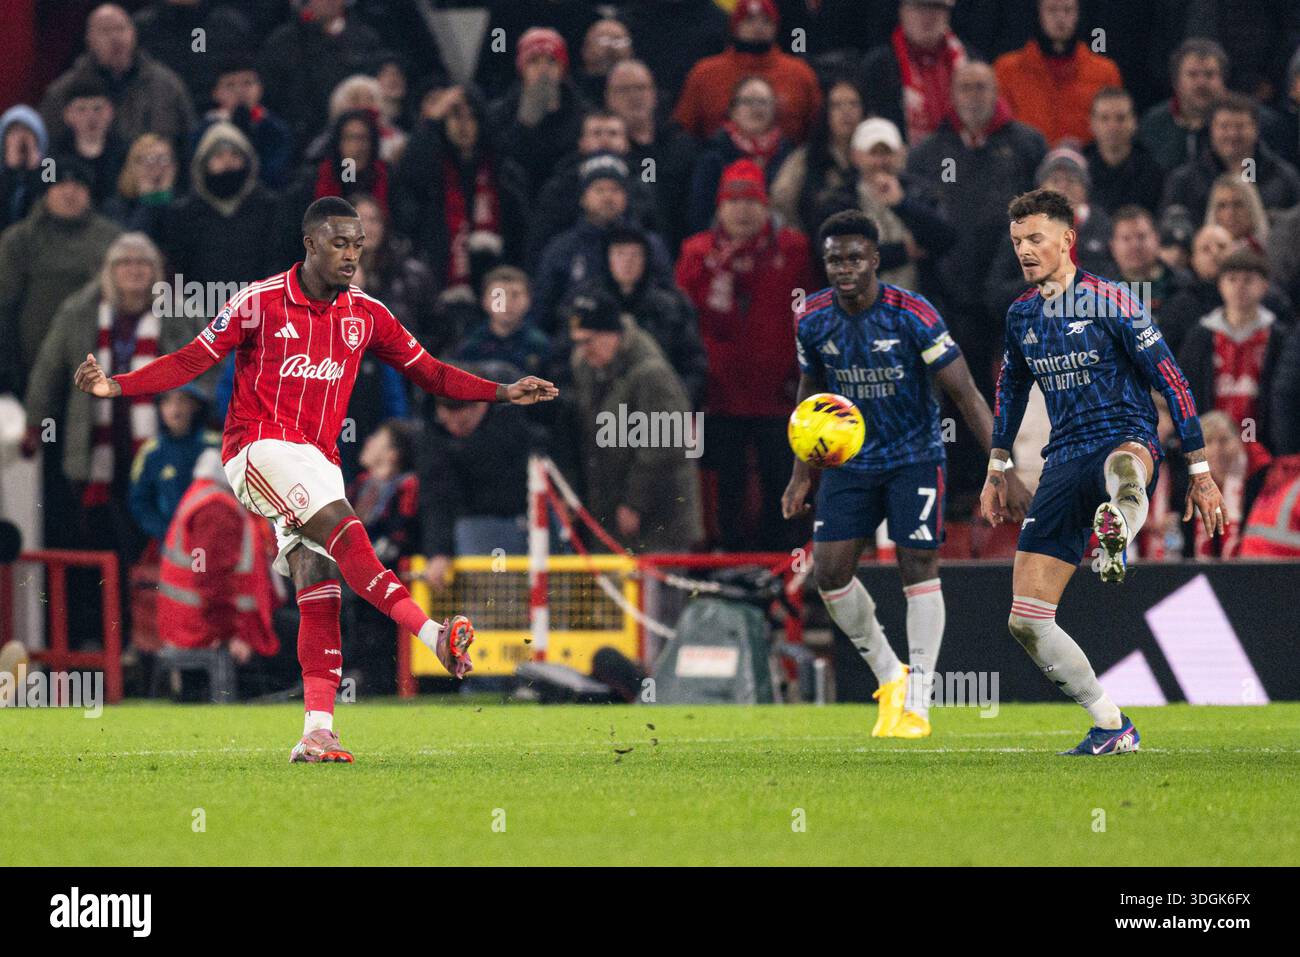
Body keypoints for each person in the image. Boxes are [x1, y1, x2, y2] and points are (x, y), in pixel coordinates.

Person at [73, 196, 559, 763]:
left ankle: (317, 730)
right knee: (343, 531)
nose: (352, 254)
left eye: (358, 243)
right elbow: (192, 360)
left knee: (318, 580)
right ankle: (432, 634)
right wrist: (118, 386)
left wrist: (499, 392)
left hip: (319, 460)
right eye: (339, 243)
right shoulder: (259, 302)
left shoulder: (367, 314)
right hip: (257, 447)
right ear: (309, 244)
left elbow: (429, 371)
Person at [982, 188, 1225, 756]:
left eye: (1035, 238)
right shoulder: (1021, 315)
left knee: (1124, 470)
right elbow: (1011, 387)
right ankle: (1112, 723)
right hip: (1062, 458)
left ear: (1067, 239)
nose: (1024, 250)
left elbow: (1174, 380)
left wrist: (1200, 468)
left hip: (1125, 435)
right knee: (1026, 620)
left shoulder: (1113, 300)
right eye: (1017, 241)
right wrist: (999, 463)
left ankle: (1117, 520)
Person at [783, 209, 1030, 740]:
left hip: (915, 456)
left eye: (853, 258)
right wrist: (801, 473)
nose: (843, 268)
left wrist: (1001, 467)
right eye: (833, 260)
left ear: (875, 260)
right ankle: (890, 675)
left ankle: (918, 700)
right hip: (849, 463)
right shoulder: (813, 320)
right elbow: (810, 395)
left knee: (917, 562)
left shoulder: (912, 314)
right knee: (829, 572)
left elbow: (966, 393)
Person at [675, 159, 813, 551]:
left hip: (779, 394)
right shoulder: (697, 254)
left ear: (766, 204)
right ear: (719, 206)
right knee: (726, 486)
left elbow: (813, 313)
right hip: (719, 395)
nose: (742, 209)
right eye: (733, 200)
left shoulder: (794, 249)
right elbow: (681, 320)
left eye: (751, 200)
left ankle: (780, 567)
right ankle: (730, 567)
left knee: (781, 480)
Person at [566, 288, 702, 553]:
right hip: (610, 510)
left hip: (659, 516)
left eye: (589, 341)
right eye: (577, 342)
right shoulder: (586, 367)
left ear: (612, 335)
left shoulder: (650, 373)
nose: (583, 350)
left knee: (657, 593)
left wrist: (635, 502)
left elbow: (665, 444)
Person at [156, 447, 280, 684]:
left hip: (194, 622)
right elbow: (211, 579)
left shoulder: (204, 494)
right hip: (206, 628)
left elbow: (205, 571)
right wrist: (228, 634)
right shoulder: (218, 510)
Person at [0, 156, 120, 399]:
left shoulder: (111, 239)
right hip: (30, 364)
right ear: (46, 192)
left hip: (99, 362)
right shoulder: (20, 240)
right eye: (60, 184)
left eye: (78, 185)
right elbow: (4, 306)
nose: (69, 192)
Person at [1177, 248, 1285, 475]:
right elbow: (1184, 392)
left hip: (1262, 449)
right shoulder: (1201, 336)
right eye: (1232, 279)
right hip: (1209, 452)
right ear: (1220, 285)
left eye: (1248, 280)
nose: (1239, 287)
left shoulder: (1279, 337)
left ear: (1265, 286)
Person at [39, 4, 195, 158]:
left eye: (121, 29)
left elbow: (189, 145)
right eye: (105, 31)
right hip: (86, 179)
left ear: (134, 34)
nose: (115, 38)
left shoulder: (166, 86)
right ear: (89, 39)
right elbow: (47, 152)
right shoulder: (64, 91)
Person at [672, 0, 822, 145]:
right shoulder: (704, 73)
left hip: (786, 165)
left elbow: (818, 129)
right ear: (735, 25)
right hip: (717, 164)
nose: (758, 27)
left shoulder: (800, 74)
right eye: (749, 19)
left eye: (766, 21)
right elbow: (683, 130)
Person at [992, 0, 1121, 147]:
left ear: (1078, 15)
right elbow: (998, 129)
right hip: (1025, 164)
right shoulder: (1007, 69)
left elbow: (1114, 130)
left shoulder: (1105, 72)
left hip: (1086, 165)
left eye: (1068, 10)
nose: (1060, 18)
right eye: (1052, 10)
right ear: (1039, 14)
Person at [1159, 93, 1300, 220]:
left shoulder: (1283, 177)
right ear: (1211, 130)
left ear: (1256, 129)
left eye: (1240, 126)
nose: (1232, 134)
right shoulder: (1184, 181)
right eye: (1224, 126)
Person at [688, 76, 793, 234]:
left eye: (763, 102)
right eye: (747, 101)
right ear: (733, 110)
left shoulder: (790, 155)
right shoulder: (713, 156)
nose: (756, 108)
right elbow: (699, 213)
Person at [858, 0, 968, 146]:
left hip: (960, 158)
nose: (928, 16)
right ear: (902, 11)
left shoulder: (970, 62)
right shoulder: (879, 66)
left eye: (936, 7)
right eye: (919, 6)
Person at [769, 78, 864, 236]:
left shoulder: (880, 155)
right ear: (826, 112)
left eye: (853, 104)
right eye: (837, 105)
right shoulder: (804, 158)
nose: (846, 111)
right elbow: (780, 202)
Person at [1083, 87, 1165, 216]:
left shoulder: (1152, 172)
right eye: (1104, 118)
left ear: (1134, 122)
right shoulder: (1081, 168)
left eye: (1120, 118)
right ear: (1092, 123)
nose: (1113, 126)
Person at [103, 133, 176, 238]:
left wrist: (164, 194)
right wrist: (148, 199)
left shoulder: (182, 202)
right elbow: (132, 241)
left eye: (164, 159)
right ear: (134, 165)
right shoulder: (116, 206)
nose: (157, 167)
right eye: (150, 160)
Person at [0, 106, 47, 231]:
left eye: (27, 131)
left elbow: (48, 205)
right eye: (14, 132)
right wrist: (10, 170)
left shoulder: (51, 165)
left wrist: (35, 169)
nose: (21, 139)